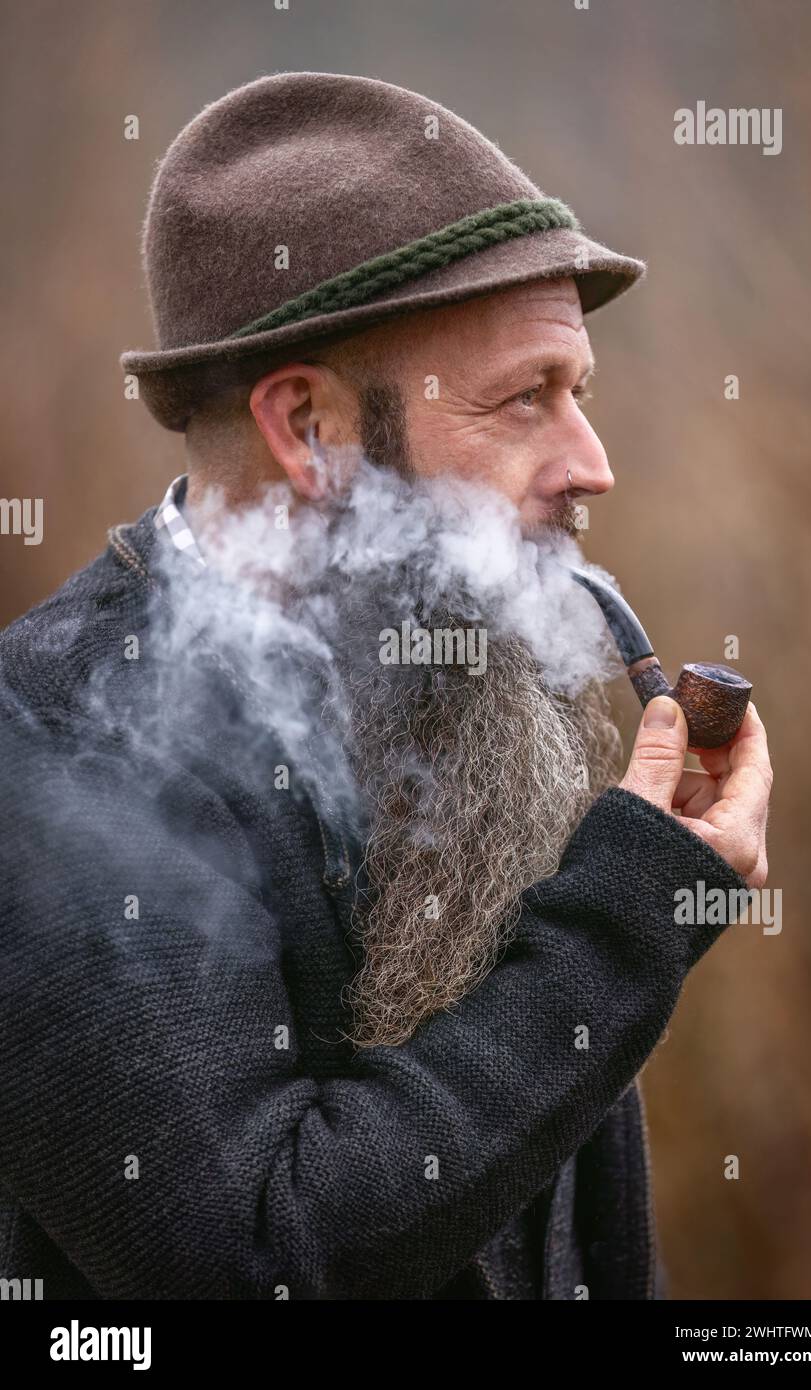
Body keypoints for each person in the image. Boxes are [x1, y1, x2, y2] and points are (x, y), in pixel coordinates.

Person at [0, 72, 772, 1300]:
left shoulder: (476, 679)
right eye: (526, 398)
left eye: (583, 395)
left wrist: (631, 897)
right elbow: (253, 1261)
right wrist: (628, 922)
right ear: (306, 429)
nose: (593, 466)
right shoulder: (46, 745)